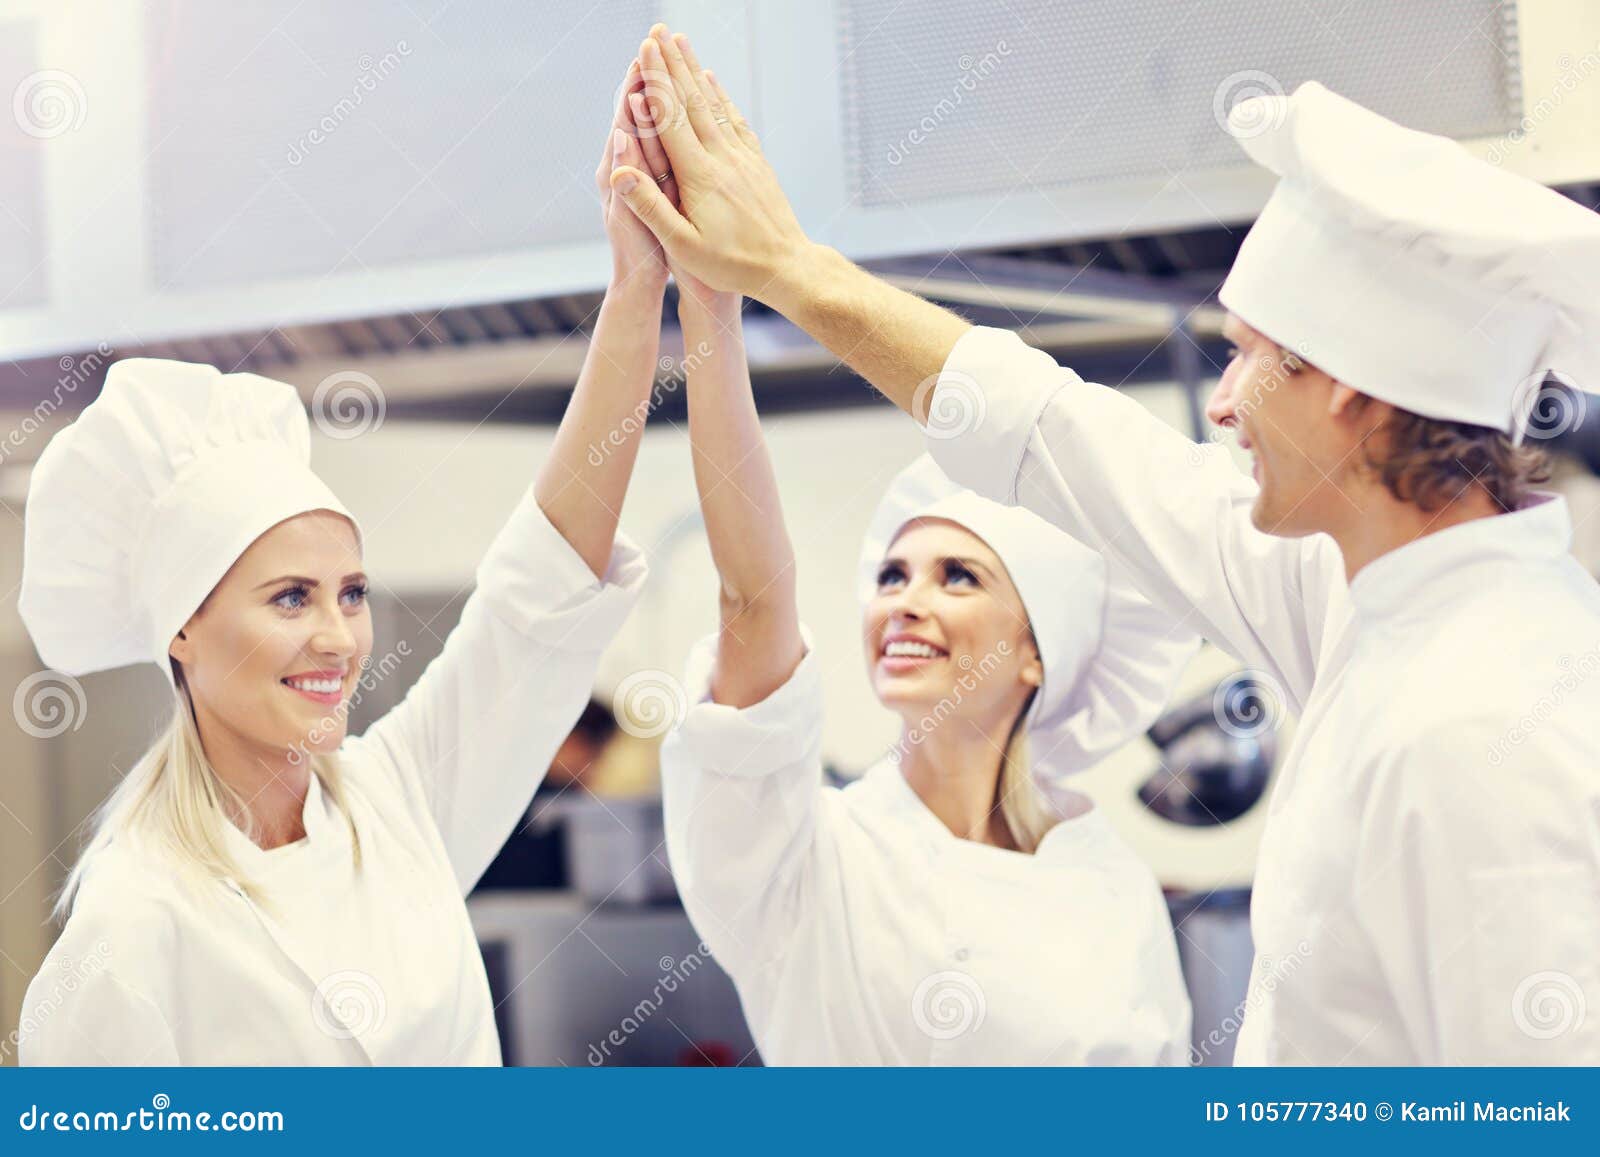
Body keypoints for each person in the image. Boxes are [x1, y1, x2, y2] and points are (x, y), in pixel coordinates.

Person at [608, 26, 1600, 1064]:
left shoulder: (1492, 719)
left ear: (1344, 384)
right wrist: (783, 268)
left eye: (1246, 357)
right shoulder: (1363, 594)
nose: (1218, 406)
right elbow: (1053, 432)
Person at [14, 68, 672, 1065]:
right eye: (289, 596)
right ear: (182, 628)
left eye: (349, 593)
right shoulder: (132, 926)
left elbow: (535, 600)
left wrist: (636, 284)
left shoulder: (396, 799)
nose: (337, 634)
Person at [635, 73, 1196, 1060]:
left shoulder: (1107, 879)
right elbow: (753, 597)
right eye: (893, 575)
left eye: (958, 577)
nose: (905, 601)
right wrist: (713, 305)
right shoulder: (812, 856)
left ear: (1038, 654)